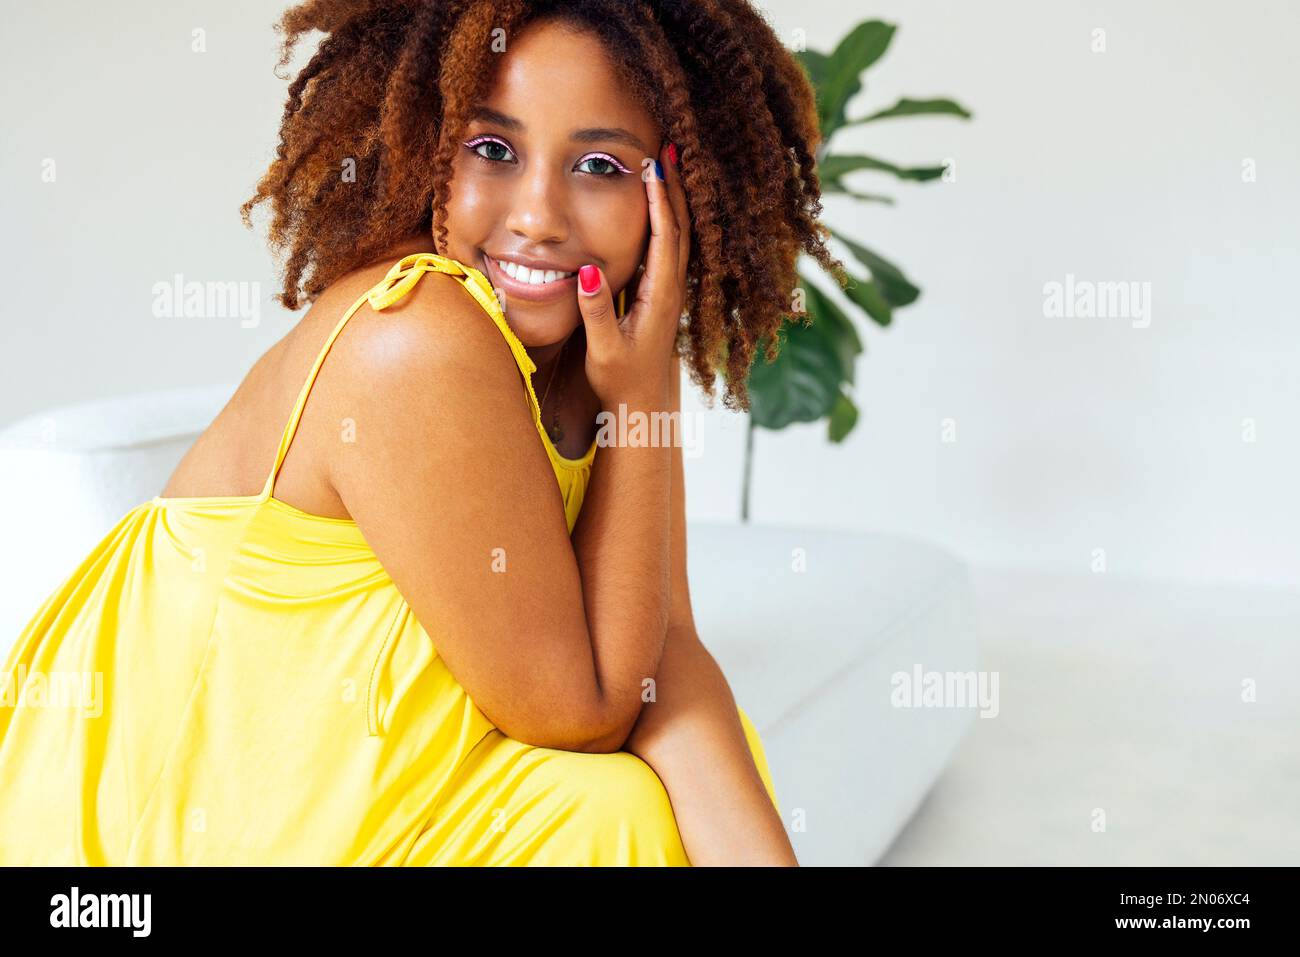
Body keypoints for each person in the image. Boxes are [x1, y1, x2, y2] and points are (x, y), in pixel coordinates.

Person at [0, 0, 845, 865]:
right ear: (430, 150)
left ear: (672, 187)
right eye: (492, 149)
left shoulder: (614, 347)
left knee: (638, 792)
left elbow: (663, 656)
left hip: (352, 796)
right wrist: (636, 408)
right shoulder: (419, 336)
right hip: (159, 825)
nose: (538, 215)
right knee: (608, 807)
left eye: (597, 164)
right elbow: (584, 711)